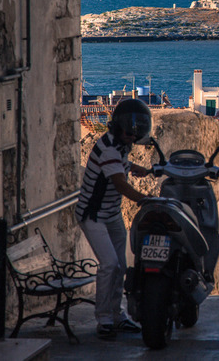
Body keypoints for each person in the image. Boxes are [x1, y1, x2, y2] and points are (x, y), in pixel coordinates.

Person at [75, 98, 152, 340]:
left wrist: (134, 166)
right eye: (129, 133)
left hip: (111, 213)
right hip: (93, 215)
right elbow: (119, 184)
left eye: (134, 134)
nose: (132, 138)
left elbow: (120, 164)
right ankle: (104, 320)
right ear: (119, 127)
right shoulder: (109, 148)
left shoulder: (118, 144)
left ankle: (118, 316)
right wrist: (145, 200)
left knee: (120, 265)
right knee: (109, 264)